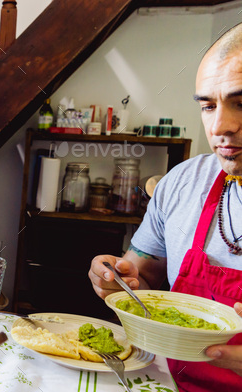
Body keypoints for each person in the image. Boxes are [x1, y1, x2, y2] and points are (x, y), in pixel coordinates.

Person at [88, 23, 242, 391]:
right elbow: (143, 275)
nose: (220, 125)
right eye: (207, 106)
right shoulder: (183, 183)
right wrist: (116, 279)